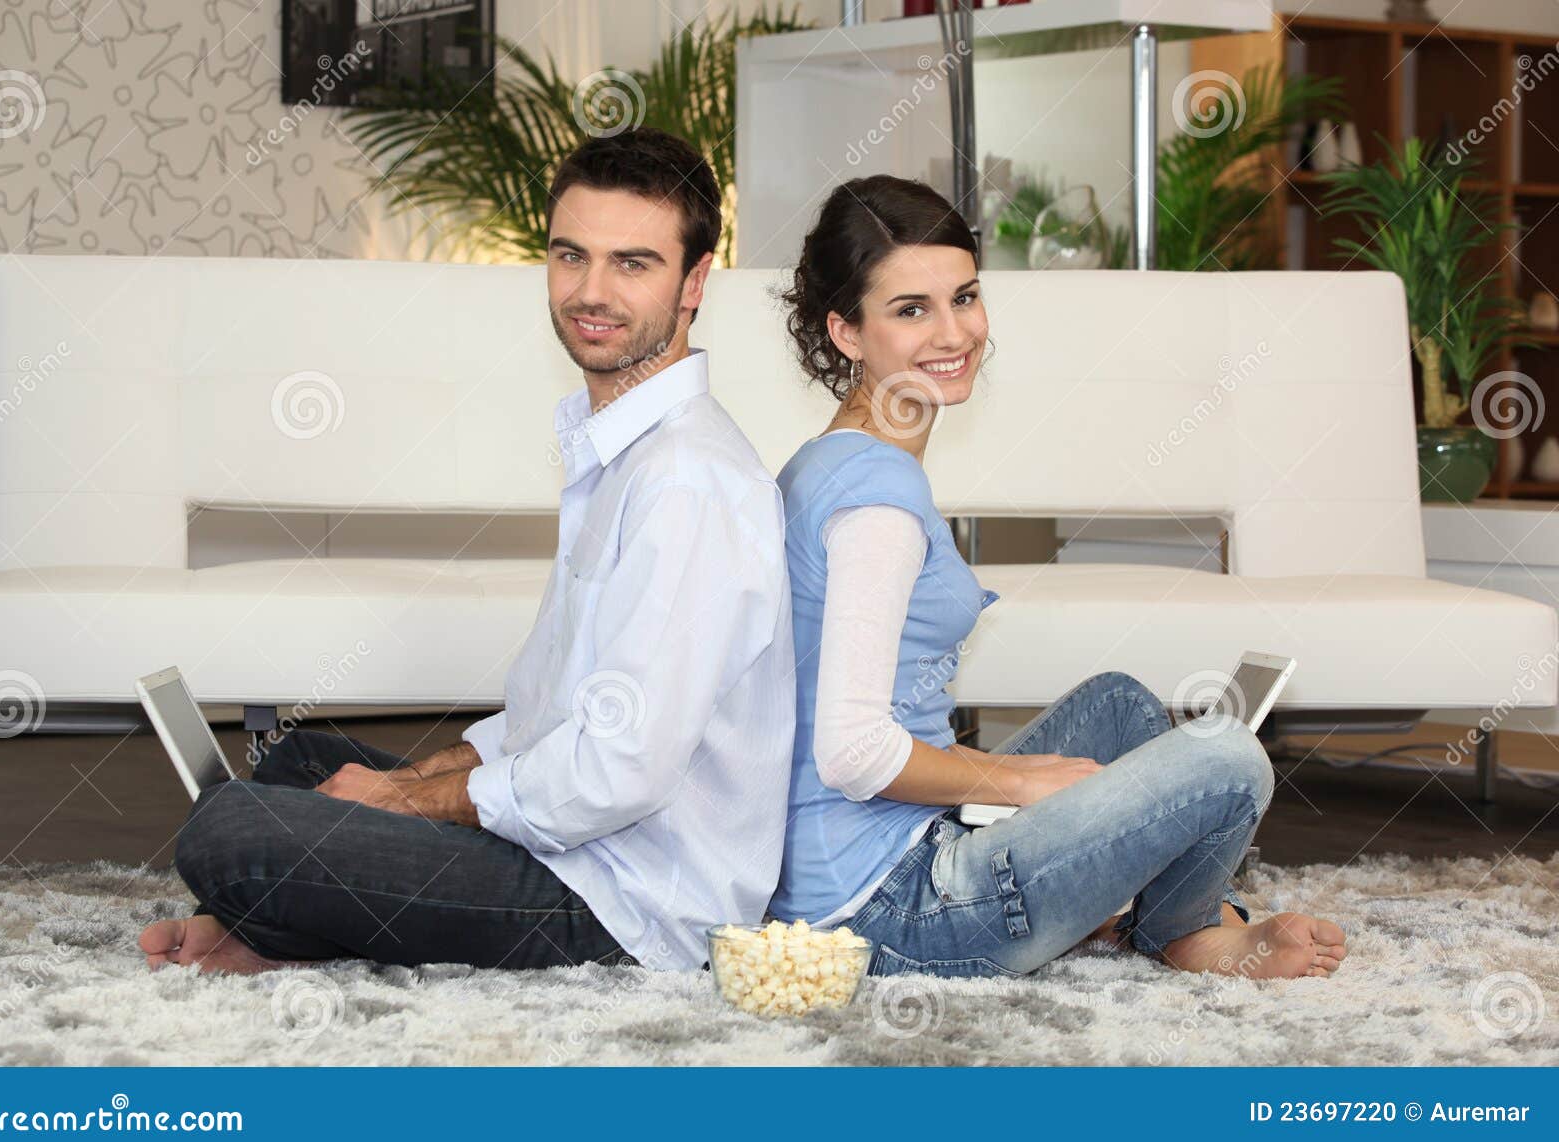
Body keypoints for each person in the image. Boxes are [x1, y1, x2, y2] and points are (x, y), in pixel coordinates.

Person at [139, 128, 795, 975]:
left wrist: (409, 805)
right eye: (570, 256)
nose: (590, 292)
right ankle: (268, 931)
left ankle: (264, 927)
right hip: (575, 847)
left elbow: (614, 772)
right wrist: (399, 793)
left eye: (632, 263)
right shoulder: (622, 449)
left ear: (695, 280)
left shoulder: (686, 483)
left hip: (621, 905)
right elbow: (543, 719)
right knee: (307, 761)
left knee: (230, 831)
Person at [768, 174, 1348, 981]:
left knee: (1115, 704)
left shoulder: (832, 459)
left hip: (889, 851)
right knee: (1231, 758)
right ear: (847, 331)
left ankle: (1175, 918)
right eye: (911, 309)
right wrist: (1014, 780)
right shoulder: (878, 503)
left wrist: (1011, 790)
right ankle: (1185, 930)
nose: (953, 330)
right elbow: (852, 751)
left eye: (964, 296)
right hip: (892, 908)